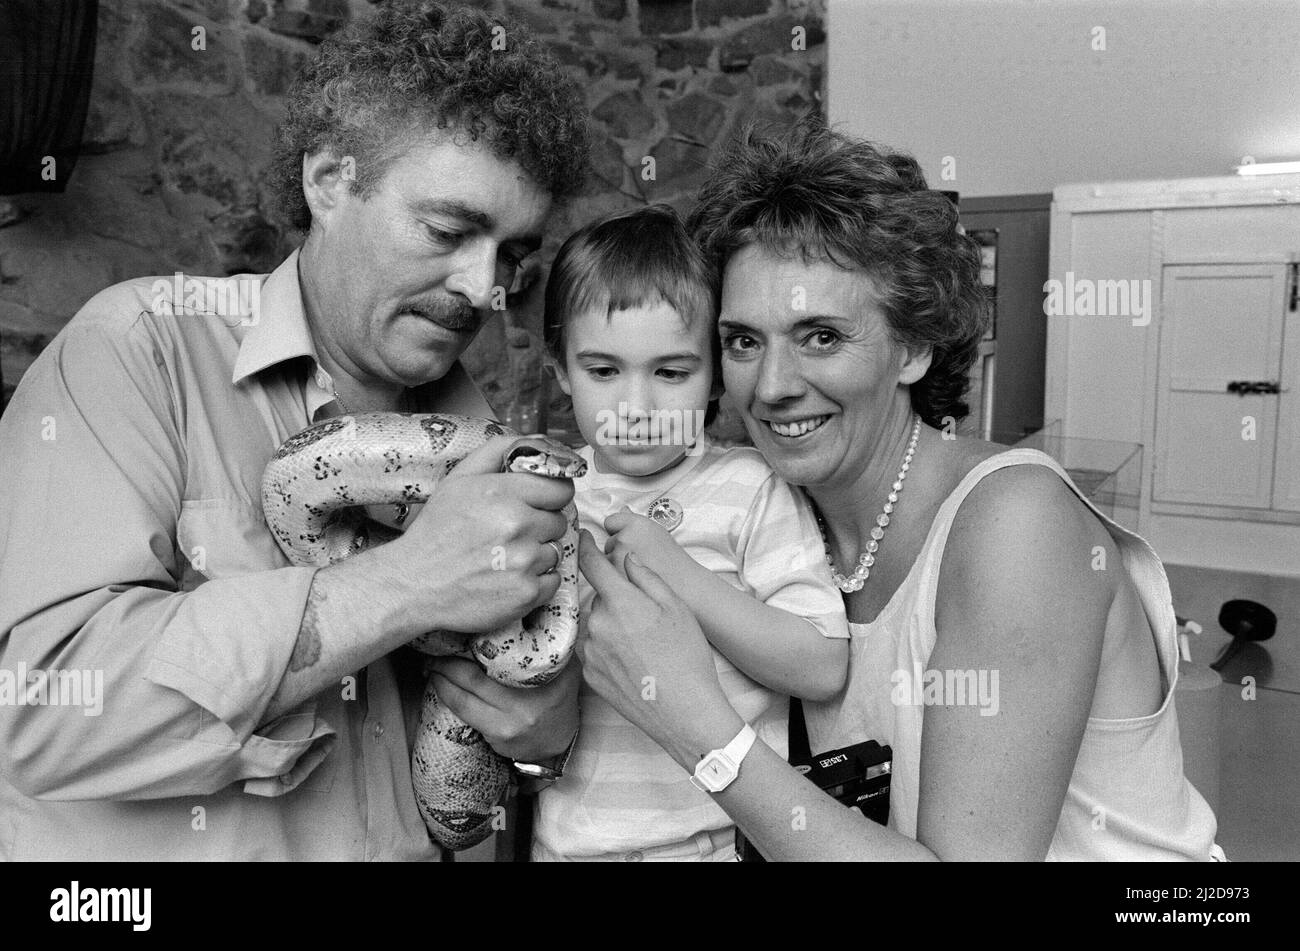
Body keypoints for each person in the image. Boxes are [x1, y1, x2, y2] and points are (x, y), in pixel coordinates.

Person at [0, 0, 590, 860]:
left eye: (513, 255)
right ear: (328, 181)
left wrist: (546, 744)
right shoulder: (137, 351)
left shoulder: (491, 449)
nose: (481, 285)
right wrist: (405, 585)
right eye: (449, 230)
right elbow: (43, 708)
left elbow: (491, 809)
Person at [574, 119, 1224, 861]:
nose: (774, 386)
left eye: (821, 335)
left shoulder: (1014, 525)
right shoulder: (779, 517)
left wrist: (696, 727)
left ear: (913, 344)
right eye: (744, 340)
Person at [529, 205, 849, 862]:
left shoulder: (752, 488)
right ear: (561, 369)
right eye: (603, 370)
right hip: (563, 847)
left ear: (712, 375)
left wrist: (677, 574)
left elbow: (821, 663)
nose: (637, 408)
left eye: (671, 372)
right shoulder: (546, 492)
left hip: (713, 849)